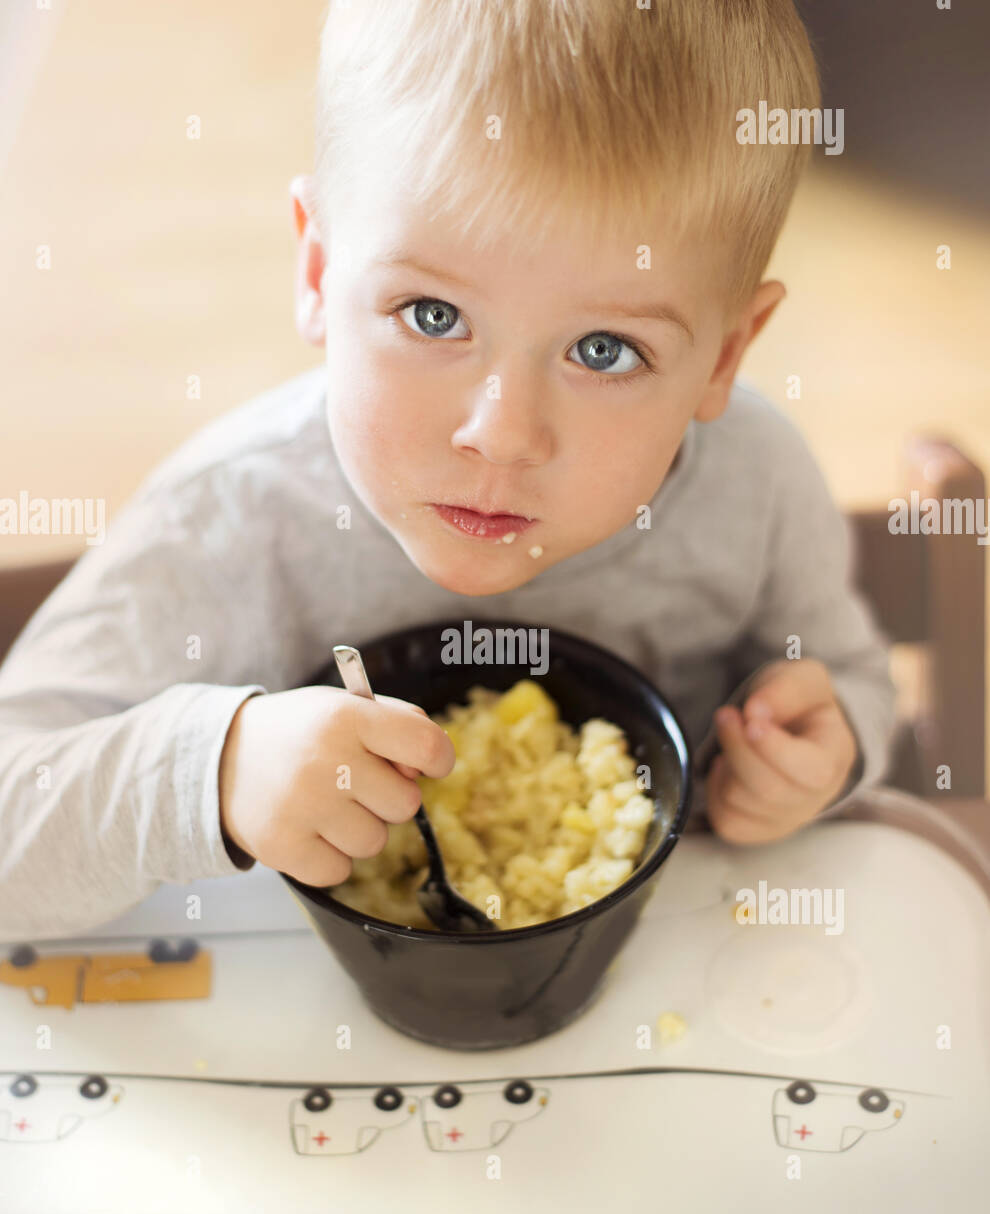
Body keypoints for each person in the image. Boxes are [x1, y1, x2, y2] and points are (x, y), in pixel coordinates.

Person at [0, 0, 896, 938]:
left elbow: (850, 682)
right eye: (433, 316)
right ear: (316, 271)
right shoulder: (231, 516)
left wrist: (826, 757)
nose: (502, 435)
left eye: (602, 350)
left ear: (724, 356)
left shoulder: (757, 481)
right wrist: (212, 772)